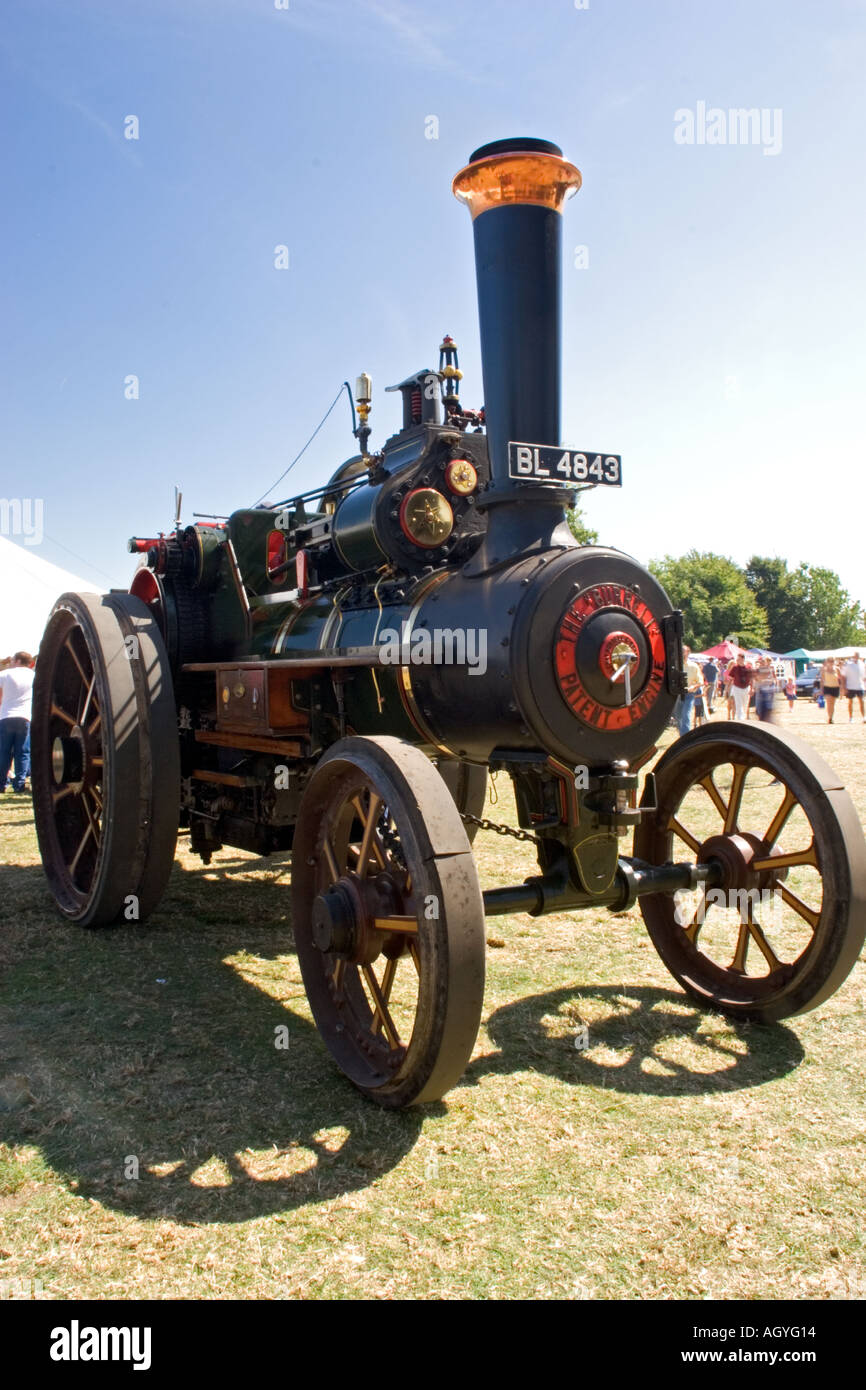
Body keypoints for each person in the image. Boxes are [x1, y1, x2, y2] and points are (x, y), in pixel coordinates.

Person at [0, 651, 36, 793]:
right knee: (23, 752)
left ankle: (2, 783)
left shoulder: (6, 674)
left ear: (18, 661)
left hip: (6, 716)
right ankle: (19, 784)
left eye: (13, 660)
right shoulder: (34, 676)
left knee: (4, 752)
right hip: (25, 716)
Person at [678, 645, 703, 736]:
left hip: (689, 695)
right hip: (676, 695)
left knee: (686, 716)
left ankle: (684, 738)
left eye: (683, 651)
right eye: (680, 651)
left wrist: (693, 687)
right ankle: (682, 735)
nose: (682, 653)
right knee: (679, 717)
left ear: (688, 652)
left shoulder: (693, 666)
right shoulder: (675, 666)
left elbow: (700, 681)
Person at [725, 652, 753, 721]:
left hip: (746, 688)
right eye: (737, 659)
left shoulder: (748, 667)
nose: (737, 660)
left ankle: (744, 717)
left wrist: (752, 689)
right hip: (737, 688)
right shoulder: (735, 668)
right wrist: (727, 688)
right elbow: (731, 678)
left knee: (745, 704)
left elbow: (752, 679)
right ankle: (740, 719)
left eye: (739, 659)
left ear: (743, 659)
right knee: (738, 704)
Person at [841, 651, 865, 723]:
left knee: (862, 701)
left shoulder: (861, 664)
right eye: (855, 655)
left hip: (859, 686)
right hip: (850, 686)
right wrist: (844, 687)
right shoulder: (848, 664)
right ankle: (850, 717)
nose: (857, 657)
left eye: (858, 655)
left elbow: (863, 675)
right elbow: (843, 676)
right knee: (850, 702)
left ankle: (864, 717)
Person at [754, 656, 777, 722]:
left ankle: (765, 721)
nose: (762, 663)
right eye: (761, 662)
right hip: (759, 690)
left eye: (763, 662)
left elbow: (771, 680)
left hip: (767, 691)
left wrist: (764, 680)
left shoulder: (769, 669)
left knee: (767, 708)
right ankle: (761, 720)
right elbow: (757, 678)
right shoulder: (757, 670)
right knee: (758, 708)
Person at [819, 656, 840, 724]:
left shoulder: (837, 669)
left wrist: (842, 688)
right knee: (828, 701)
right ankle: (830, 718)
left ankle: (832, 717)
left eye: (832, 661)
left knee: (832, 703)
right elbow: (822, 680)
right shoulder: (824, 670)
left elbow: (840, 679)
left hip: (835, 687)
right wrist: (821, 690)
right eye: (829, 661)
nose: (831, 662)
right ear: (827, 662)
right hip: (827, 687)